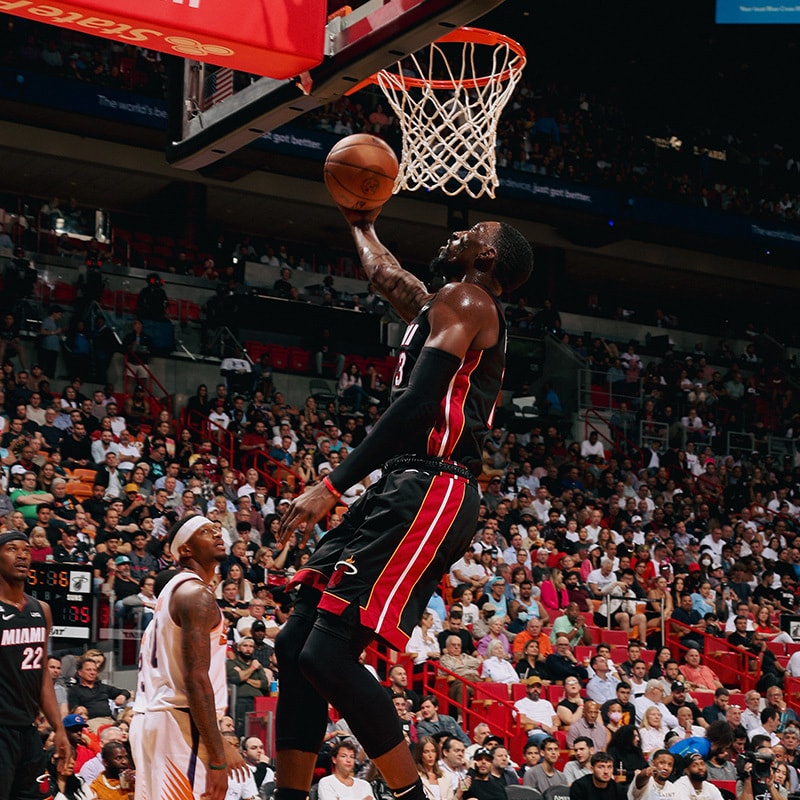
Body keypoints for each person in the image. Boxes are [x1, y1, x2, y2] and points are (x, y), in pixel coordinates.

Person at [272, 216, 533, 800]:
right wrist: (358, 220)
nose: (454, 234)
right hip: (403, 482)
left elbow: (418, 403)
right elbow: (386, 274)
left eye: (470, 232)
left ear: (487, 256)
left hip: (436, 485)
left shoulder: (468, 301)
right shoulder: (445, 303)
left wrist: (332, 485)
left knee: (327, 653)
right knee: (294, 646)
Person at [129, 515, 247, 800]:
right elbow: (196, 679)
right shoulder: (196, 595)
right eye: (205, 531)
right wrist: (217, 756)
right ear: (185, 550)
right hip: (178, 721)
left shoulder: (171, 595)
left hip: (154, 718)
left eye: (217, 529)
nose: (217, 534)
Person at [0, 530, 70, 799]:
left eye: (26, 550)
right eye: (12, 549)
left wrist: (59, 728)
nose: (21, 555)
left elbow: (42, 675)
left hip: (29, 730)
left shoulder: (42, 610)